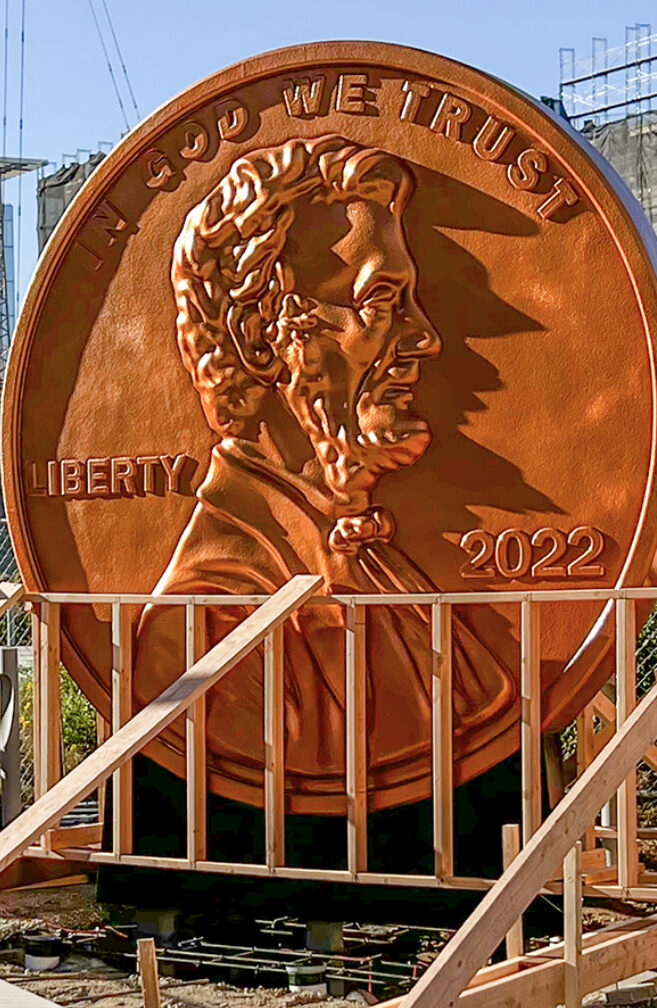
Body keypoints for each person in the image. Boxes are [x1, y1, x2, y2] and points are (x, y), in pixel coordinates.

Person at [134, 135, 515, 801]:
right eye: (378, 302)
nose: (425, 336)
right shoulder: (206, 626)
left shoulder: (378, 563)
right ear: (258, 336)